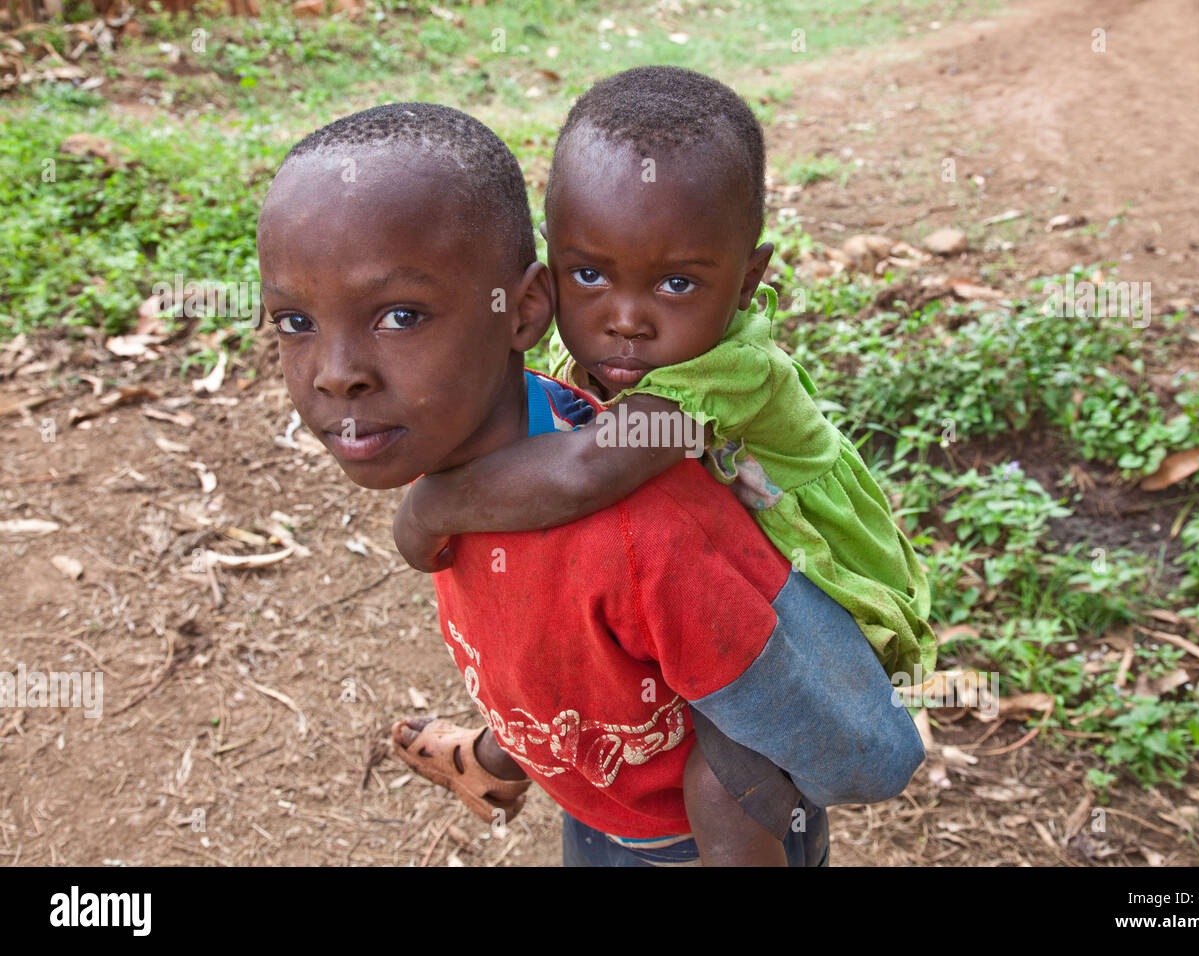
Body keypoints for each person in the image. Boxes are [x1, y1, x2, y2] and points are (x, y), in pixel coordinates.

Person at [258, 101, 925, 866]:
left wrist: (431, 509)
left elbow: (593, 475)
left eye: (402, 315)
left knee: (733, 776)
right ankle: (499, 758)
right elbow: (547, 649)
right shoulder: (523, 421)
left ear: (524, 308)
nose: (337, 374)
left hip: (790, 586)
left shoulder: (654, 499)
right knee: (563, 659)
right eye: (294, 323)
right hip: (605, 802)